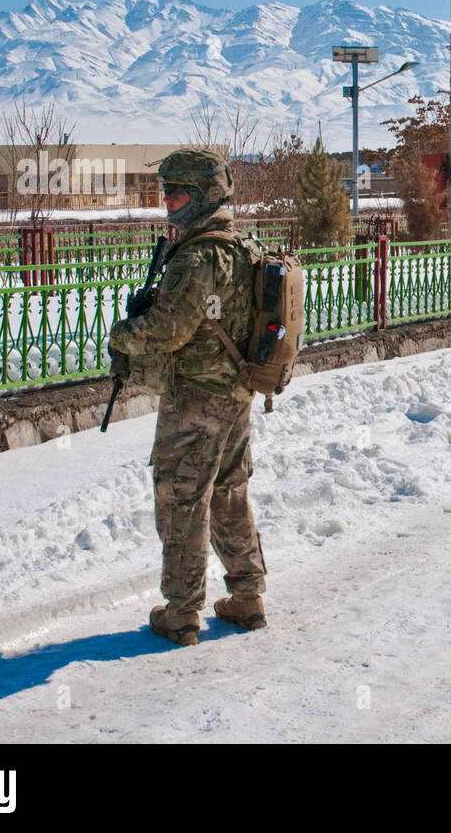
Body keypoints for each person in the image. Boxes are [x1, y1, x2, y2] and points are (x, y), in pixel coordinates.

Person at [108, 149, 268, 646]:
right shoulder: (243, 244)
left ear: (204, 196)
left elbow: (169, 329)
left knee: (182, 499)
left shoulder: (200, 255)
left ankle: (181, 611)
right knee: (227, 491)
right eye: (165, 191)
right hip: (236, 390)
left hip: (197, 397)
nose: (167, 202)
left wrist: (123, 334)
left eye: (177, 193)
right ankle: (247, 596)